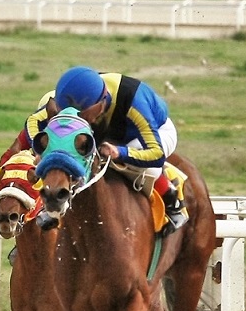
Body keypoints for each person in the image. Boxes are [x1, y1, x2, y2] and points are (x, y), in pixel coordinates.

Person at [24, 66, 189, 234]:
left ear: (101, 105)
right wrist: (42, 151)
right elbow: (32, 121)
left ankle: (171, 197)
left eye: (84, 116)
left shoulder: (134, 101)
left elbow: (156, 153)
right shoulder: (69, 97)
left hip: (152, 134)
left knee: (147, 167)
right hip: (105, 132)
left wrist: (120, 152)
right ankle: (56, 204)